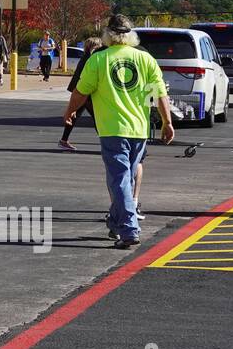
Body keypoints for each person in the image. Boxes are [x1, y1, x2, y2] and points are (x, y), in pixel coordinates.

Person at [63, 14, 174, 250]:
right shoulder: (145, 59)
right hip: (139, 130)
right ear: (131, 35)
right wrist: (167, 122)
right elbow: (160, 94)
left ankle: (129, 228)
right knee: (125, 178)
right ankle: (115, 222)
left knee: (120, 179)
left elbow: (81, 92)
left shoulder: (98, 60)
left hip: (112, 129)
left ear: (108, 35)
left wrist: (70, 112)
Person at [58, 36, 102, 150]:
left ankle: (64, 140)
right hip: (85, 92)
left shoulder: (86, 57)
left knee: (74, 115)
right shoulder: (91, 59)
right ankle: (105, 142)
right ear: (94, 47)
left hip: (80, 91)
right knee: (97, 117)